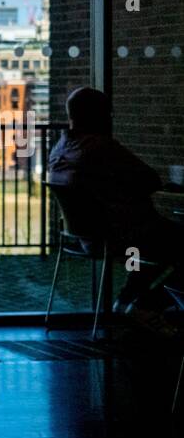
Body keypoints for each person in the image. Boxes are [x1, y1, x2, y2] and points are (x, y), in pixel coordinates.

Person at [48, 86, 183, 317]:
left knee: (144, 252)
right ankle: (146, 303)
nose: (109, 119)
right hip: (122, 238)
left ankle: (128, 300)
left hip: (88, 237)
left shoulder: (59, 151)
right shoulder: (100, 148)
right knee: (169, 242)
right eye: (108, 114)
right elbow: (150, 179)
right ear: (97, 116)